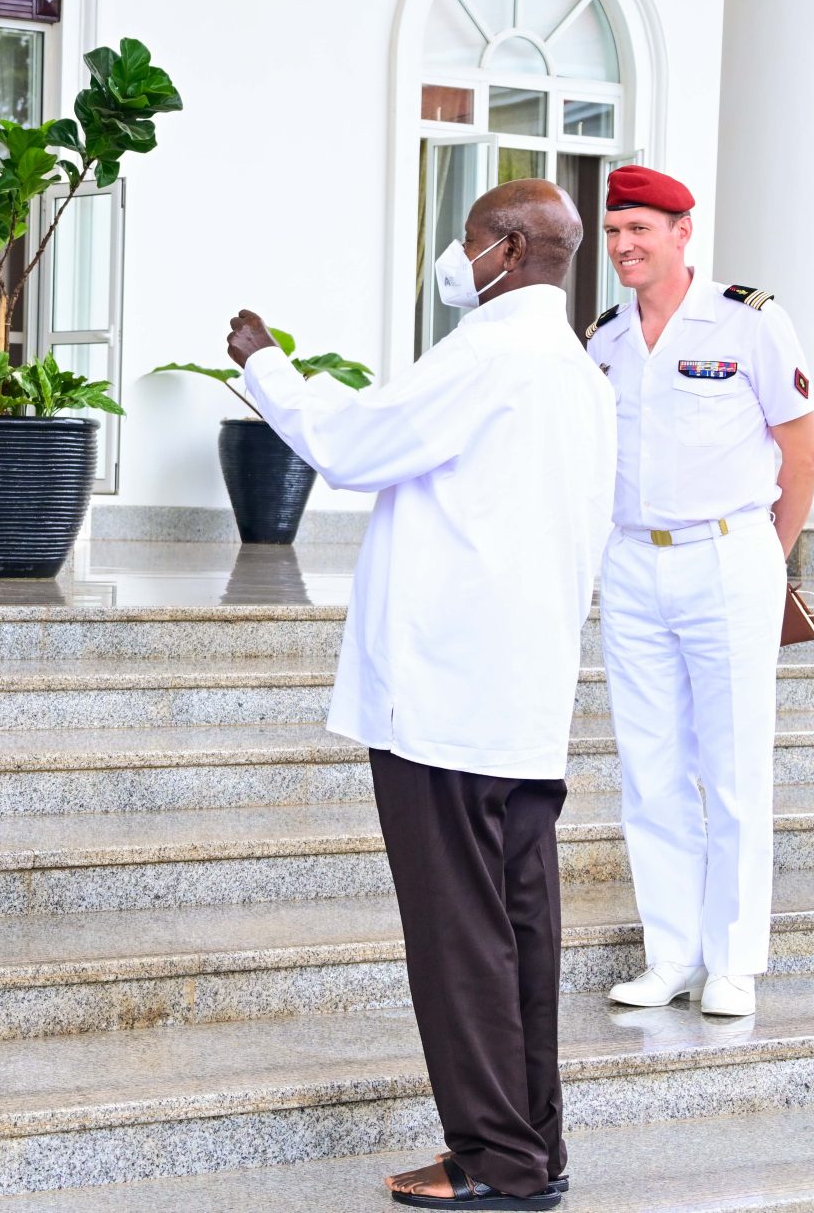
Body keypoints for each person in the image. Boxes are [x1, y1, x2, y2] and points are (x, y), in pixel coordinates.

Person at [229, 179, 615, 1210]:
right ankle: (534, 1146)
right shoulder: (578, 370)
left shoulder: (489, 351)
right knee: (519, 927)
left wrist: (263, 364)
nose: (456, 254)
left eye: (466, 235)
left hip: (445, 694)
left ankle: (491, 1157)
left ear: (503, 246)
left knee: (458, 934)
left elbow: (352, 445)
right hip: (522, 693)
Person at [589, 166, 814, 1020]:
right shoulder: (605, 338)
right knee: (649, 770)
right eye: (614, 233)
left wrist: (766, 558)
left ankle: (733, 962)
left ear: (683, 233)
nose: (623, 247)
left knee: (730, 770)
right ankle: (669, 955)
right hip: (632, 563)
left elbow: (803, 458)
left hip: (727, 555)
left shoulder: (749, 321)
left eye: (639, 231)